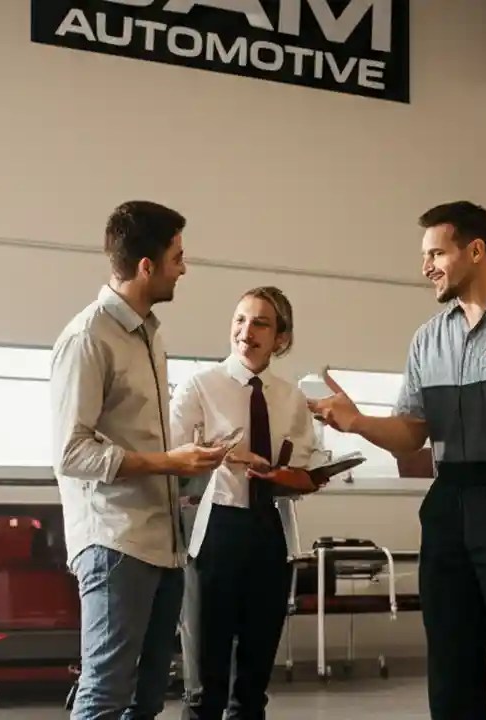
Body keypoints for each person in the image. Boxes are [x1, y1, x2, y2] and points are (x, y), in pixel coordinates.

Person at [310, 201, 486, 719]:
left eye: (435, 253)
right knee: (450, 670)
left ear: (476, 250)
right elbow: (411, 435)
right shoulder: (428, 338)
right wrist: (356, 421)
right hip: (447, 507)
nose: (425, 266)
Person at [51, 200, 230, 720]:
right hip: (114, 542)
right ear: (147, 266)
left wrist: (188, 466)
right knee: (105, 694)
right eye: (177, 256)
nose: (184, 267)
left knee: (146, 699)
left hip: (162, 544)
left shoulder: (150, 335)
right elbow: (71, 451)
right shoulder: (88, 338)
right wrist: (168, 463)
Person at [170, 286, 324, 720]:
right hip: (214, 529)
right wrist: (231, 454)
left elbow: (306, 460)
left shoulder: (290, 396)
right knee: (204, 689)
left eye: (260, 322)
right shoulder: (200, 386)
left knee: (252, 689)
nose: (246, 330)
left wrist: (298, 478)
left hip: (268, 530)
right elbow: (172, 453)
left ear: (281, 338)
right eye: (240, 319)